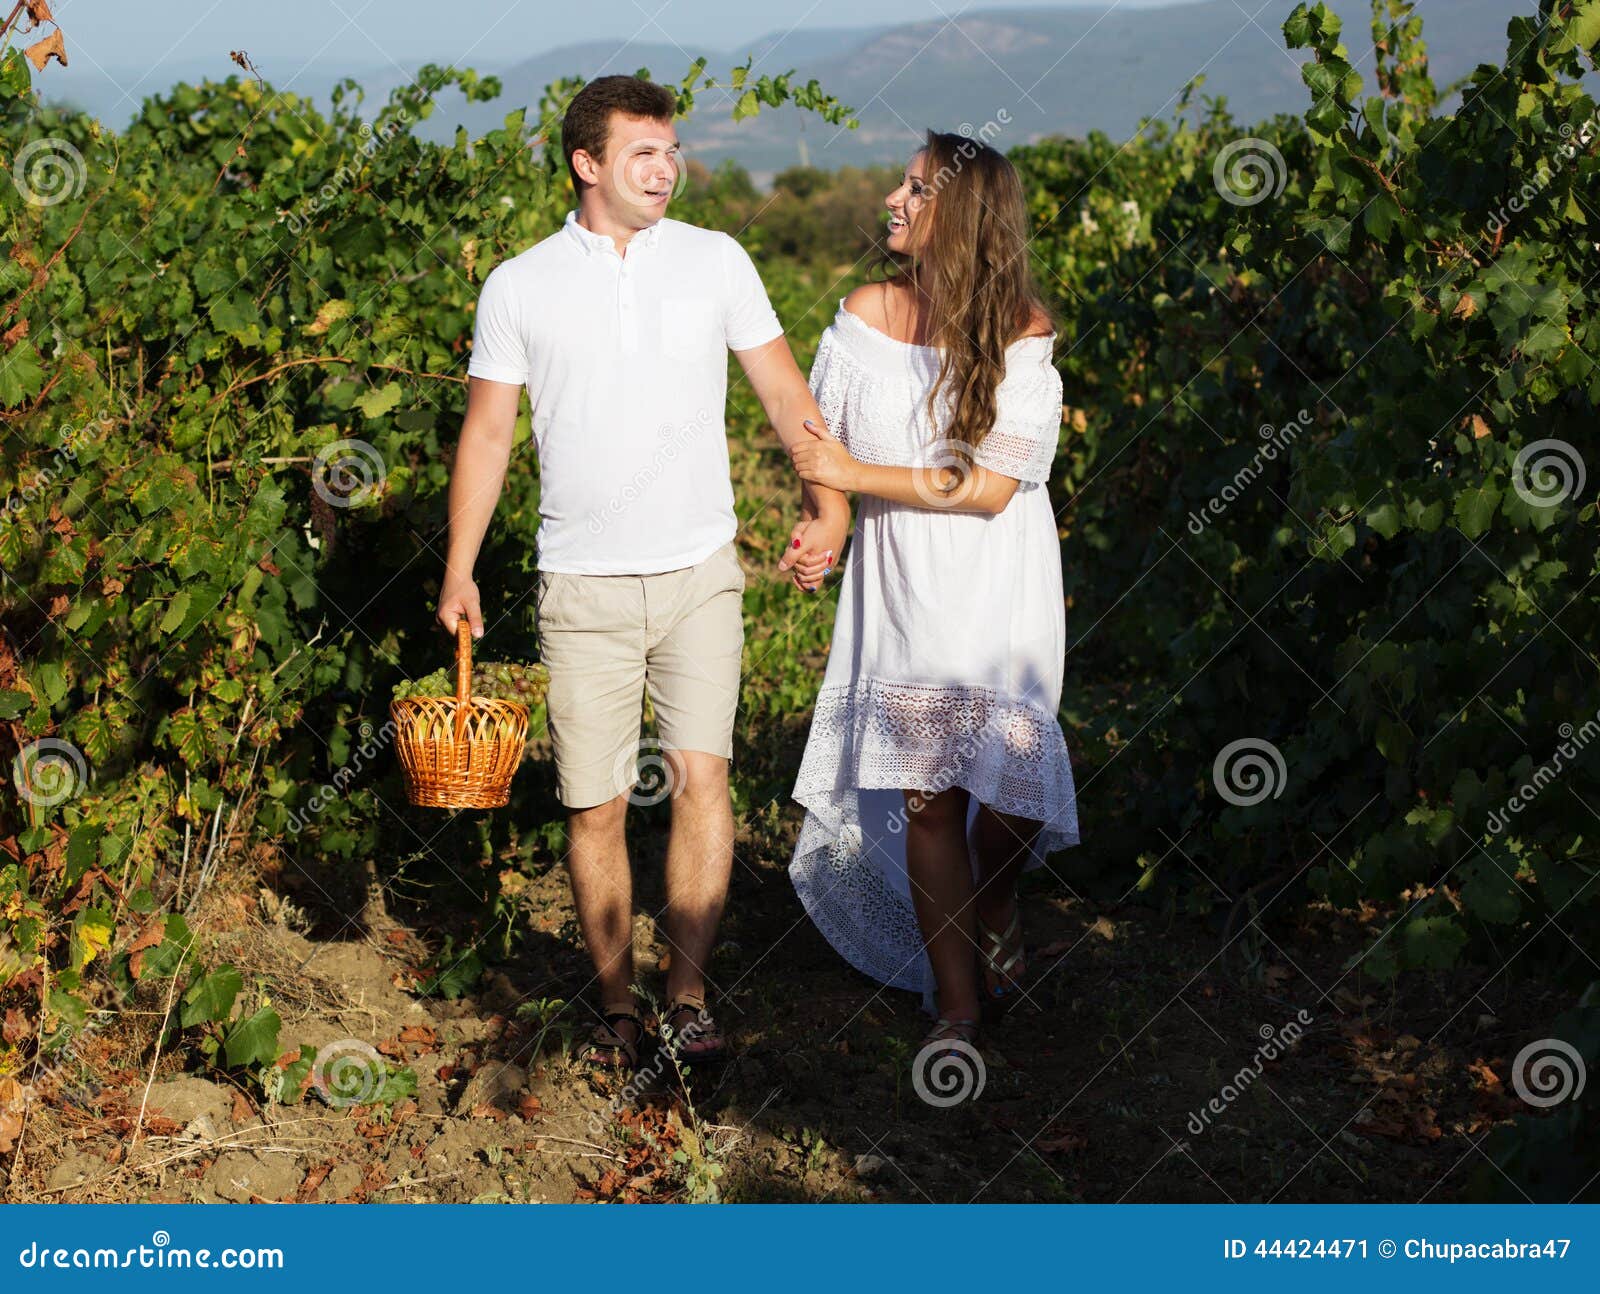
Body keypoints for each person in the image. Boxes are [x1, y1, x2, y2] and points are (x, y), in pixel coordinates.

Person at [438, 75, 849, 1072]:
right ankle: (618, 1001)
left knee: (705, 780)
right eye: (643, 153)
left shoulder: (716, 262)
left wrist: (825, 499)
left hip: (701, 569)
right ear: (588, 164)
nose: (666, 168)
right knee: (596, 803)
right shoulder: (520, 282)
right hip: (581, 584)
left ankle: (690, 993)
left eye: (671, 151)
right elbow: (488, 433)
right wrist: (460, 568)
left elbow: (783, 389)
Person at [785, 130, 1079, 1056]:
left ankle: (996, 900)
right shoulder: (866, 314)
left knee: (1009, 798)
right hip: (907, 584)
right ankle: (957, 1009)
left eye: (915, 189)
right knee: (928, 798)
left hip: (999, 584)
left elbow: (991, 486)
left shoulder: (1025, 334)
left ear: (962, 214)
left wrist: (854, 472)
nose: (892, 200)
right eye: (902, 184)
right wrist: (829, 514)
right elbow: (815, 438)